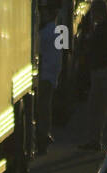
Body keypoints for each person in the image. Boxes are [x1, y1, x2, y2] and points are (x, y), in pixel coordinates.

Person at [80, 0, 107, 151]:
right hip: (98, 72)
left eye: (93, 13)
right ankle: (94, 140)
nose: (92, 16)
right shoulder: (99, 28)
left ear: (100, 12)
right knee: (95, 107)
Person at [37, 1, 61, 155]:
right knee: (47, 108)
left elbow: (38, 51)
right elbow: (62, 53)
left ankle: (42, 137)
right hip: (53, 74)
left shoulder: (44, 33)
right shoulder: (61, 31)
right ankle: (46, 133)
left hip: (44, 75)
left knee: (42, 109)